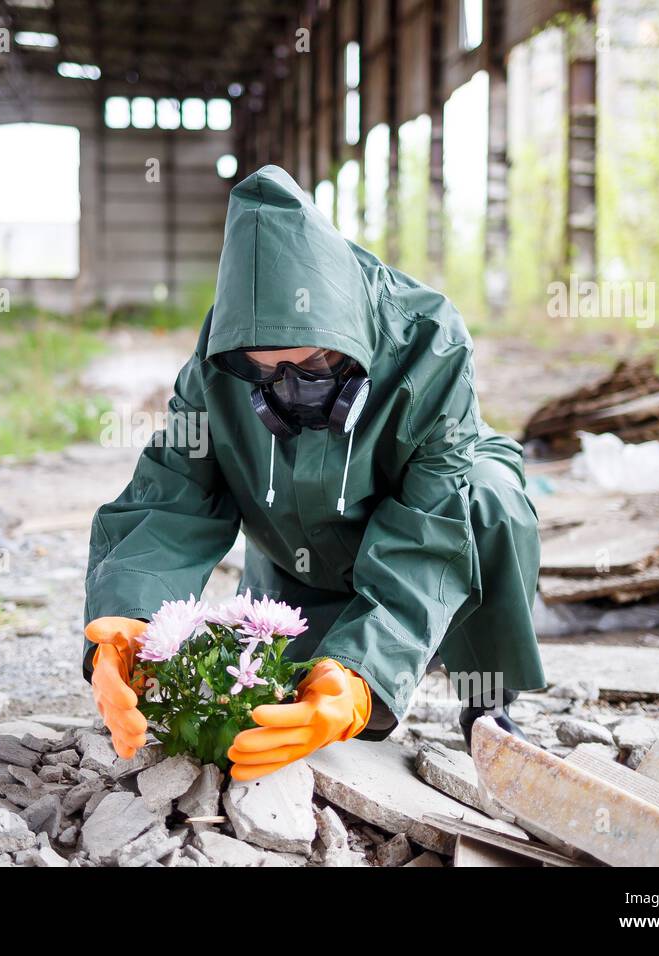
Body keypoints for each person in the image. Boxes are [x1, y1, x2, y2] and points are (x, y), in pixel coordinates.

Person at [82, 165, 545, 782]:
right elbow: (172, 495)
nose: (294, 387)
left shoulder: (431, 341)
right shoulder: (218, 363)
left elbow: (432, 527)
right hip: (299, 547)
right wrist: (129, 620)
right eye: (269, 372)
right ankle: (333, 653)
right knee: (289, 696)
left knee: (489, 499)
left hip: (425, 513)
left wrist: (363, 679)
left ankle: (486, 701)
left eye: (314, 362)